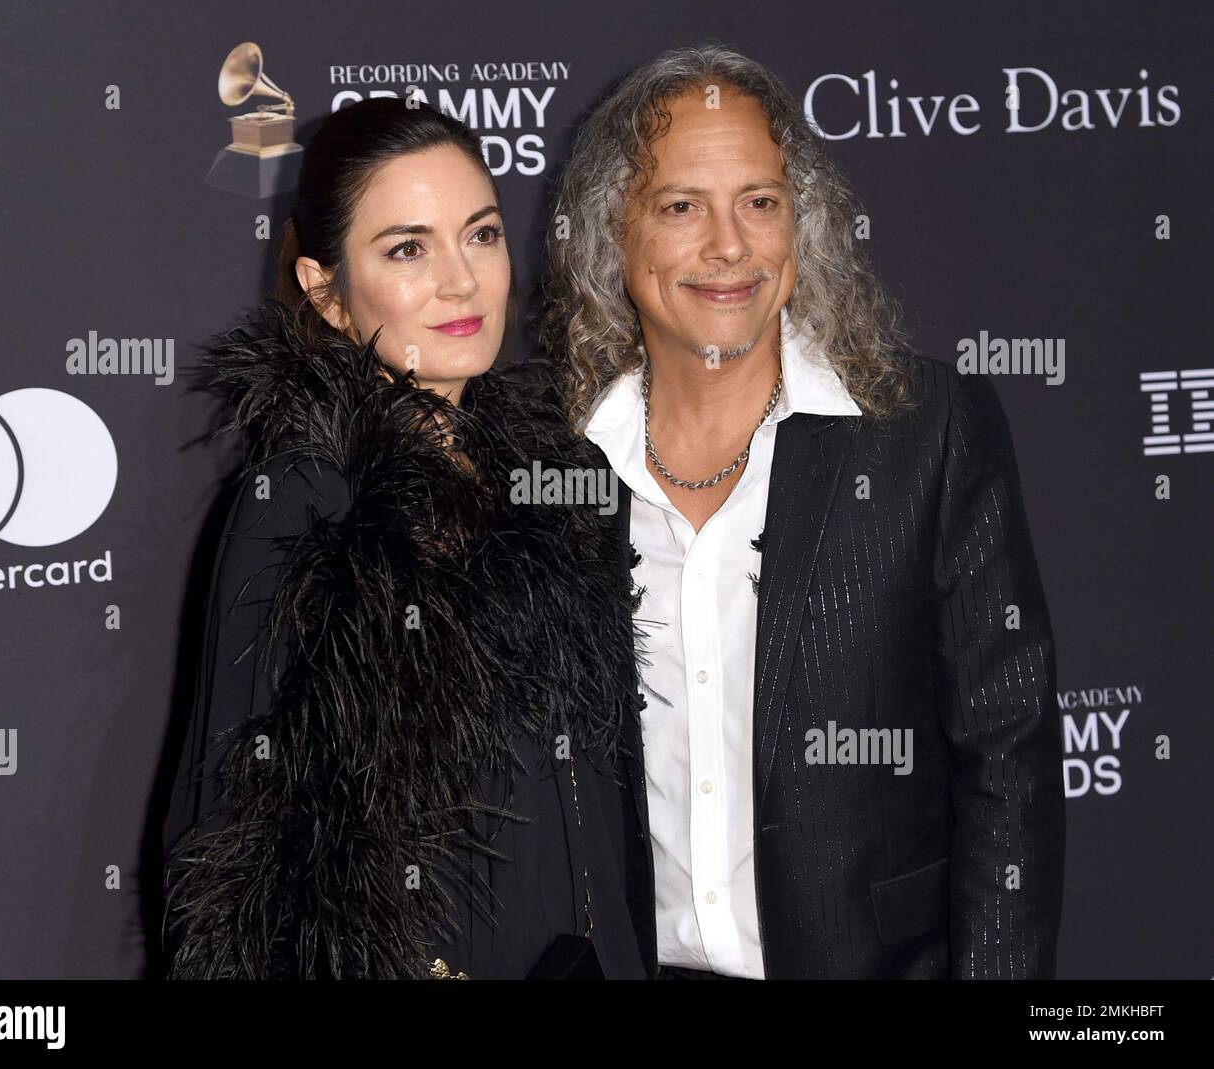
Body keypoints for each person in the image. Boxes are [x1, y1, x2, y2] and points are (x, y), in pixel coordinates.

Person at [540, 43, 1066, 979]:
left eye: (760, 202)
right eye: (680, 207)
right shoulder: (557, 460)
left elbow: (1009, 767)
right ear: (612, 237)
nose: (729, 246)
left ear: (803, 223)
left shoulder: (923, 430)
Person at [160, 97, 649, 979]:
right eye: (407, 249)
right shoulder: (307, 495)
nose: (461, 283)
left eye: (483, 234)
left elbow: (605, 792)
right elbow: (226, 844)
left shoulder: (568, 479)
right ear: (327, 292)